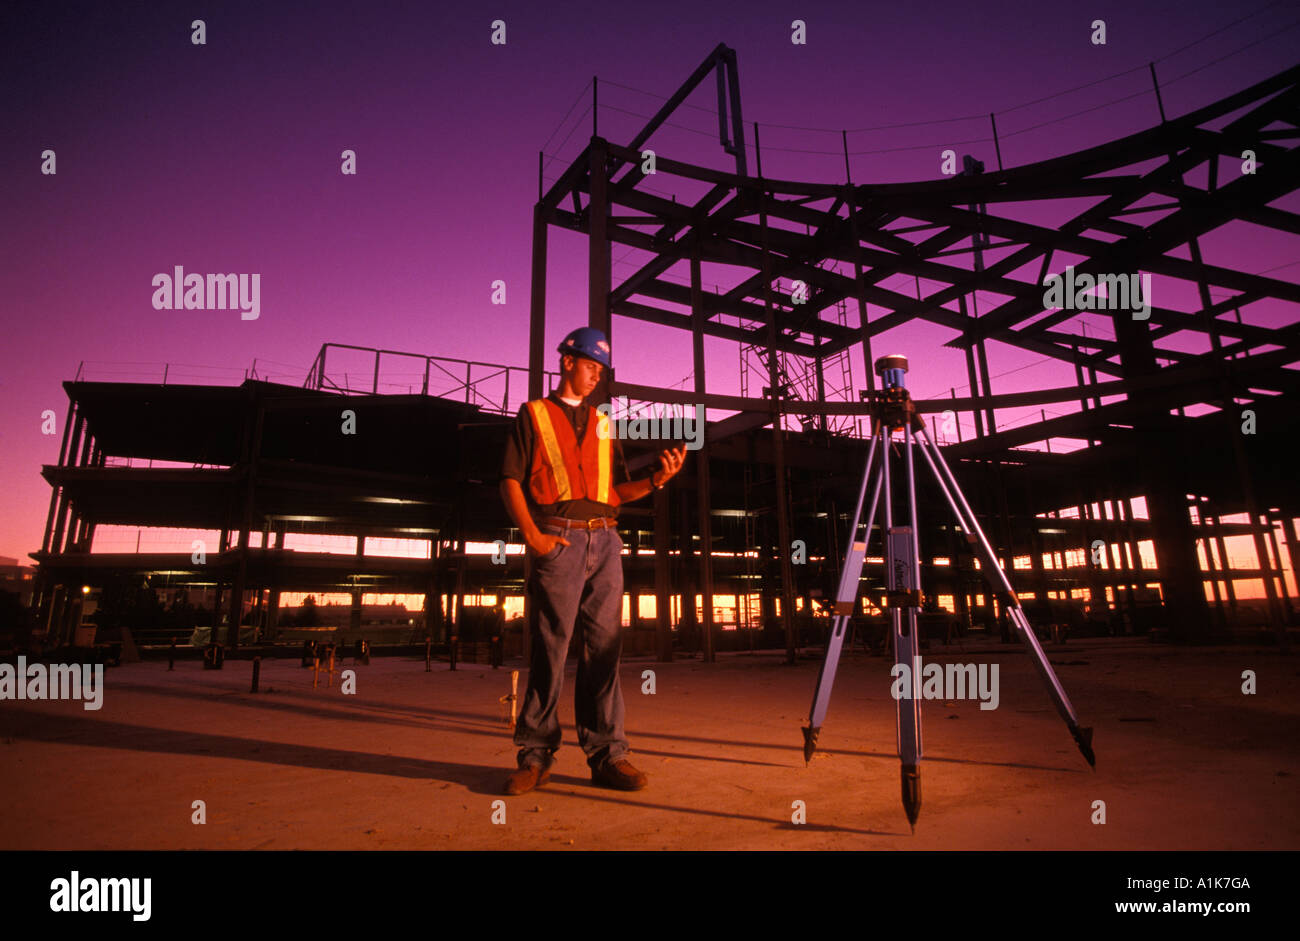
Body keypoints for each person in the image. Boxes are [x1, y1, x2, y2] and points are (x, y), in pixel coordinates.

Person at [498, 326, 686, 795]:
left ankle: (607, 756)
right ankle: (536, 757)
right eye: (590, 367)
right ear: (566, 362)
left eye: (600, 371)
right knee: (550, 647)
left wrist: (657, 480)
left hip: (605, 541)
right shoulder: (534, 414)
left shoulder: (605, 424)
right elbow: (510, 480)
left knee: (604, 650)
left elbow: (614, 494)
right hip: (558, 540)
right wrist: (533, 538)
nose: (595, 377)